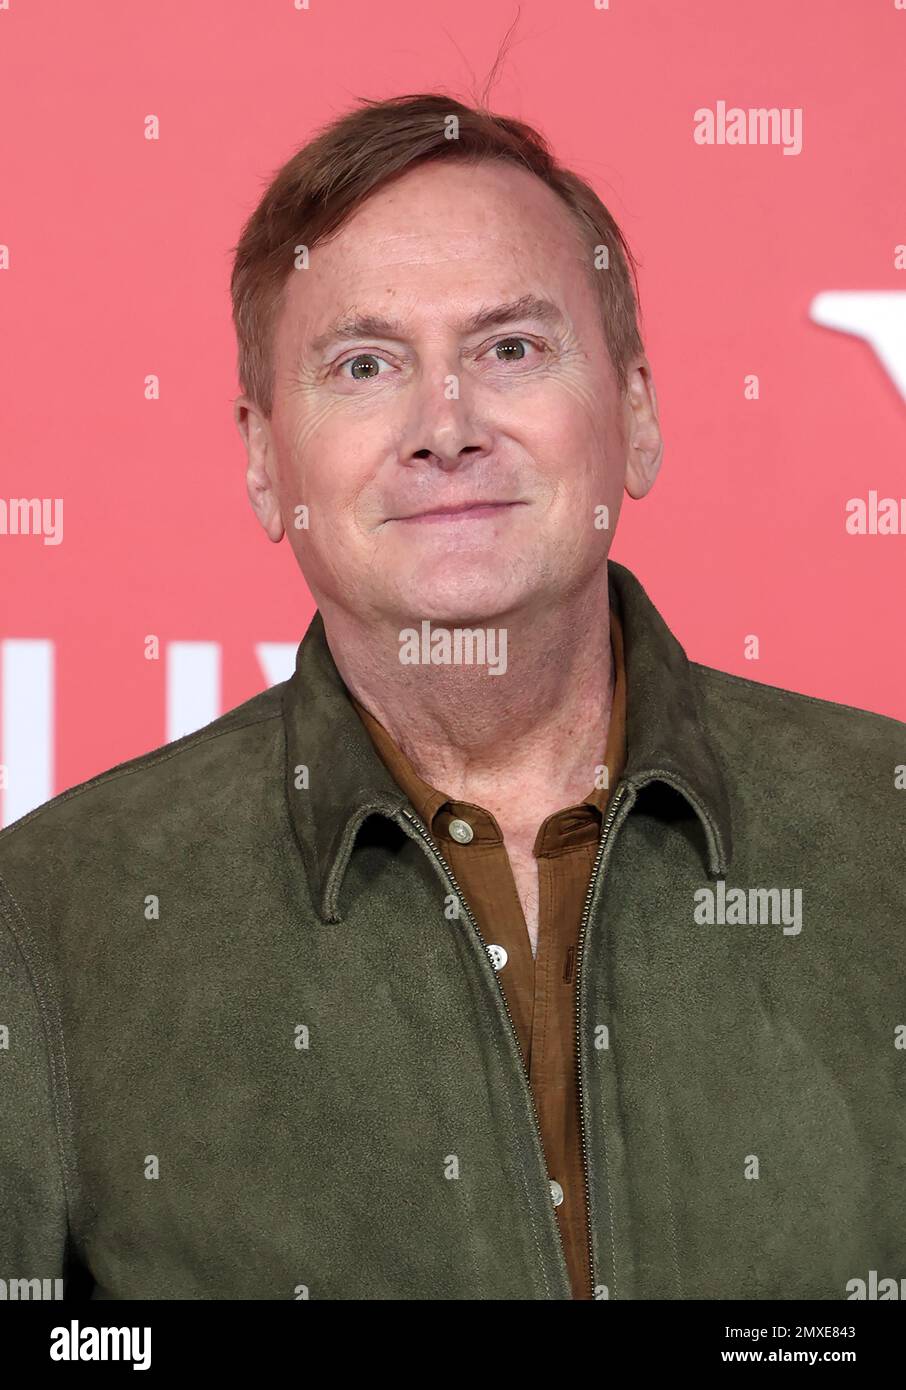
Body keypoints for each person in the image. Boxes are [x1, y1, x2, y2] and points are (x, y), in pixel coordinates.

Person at [1, 94, 902, 1301]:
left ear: (636, 414)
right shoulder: (49, 922)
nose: (447, 426)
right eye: (365, 365)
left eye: (511, 349)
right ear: (265, 461)